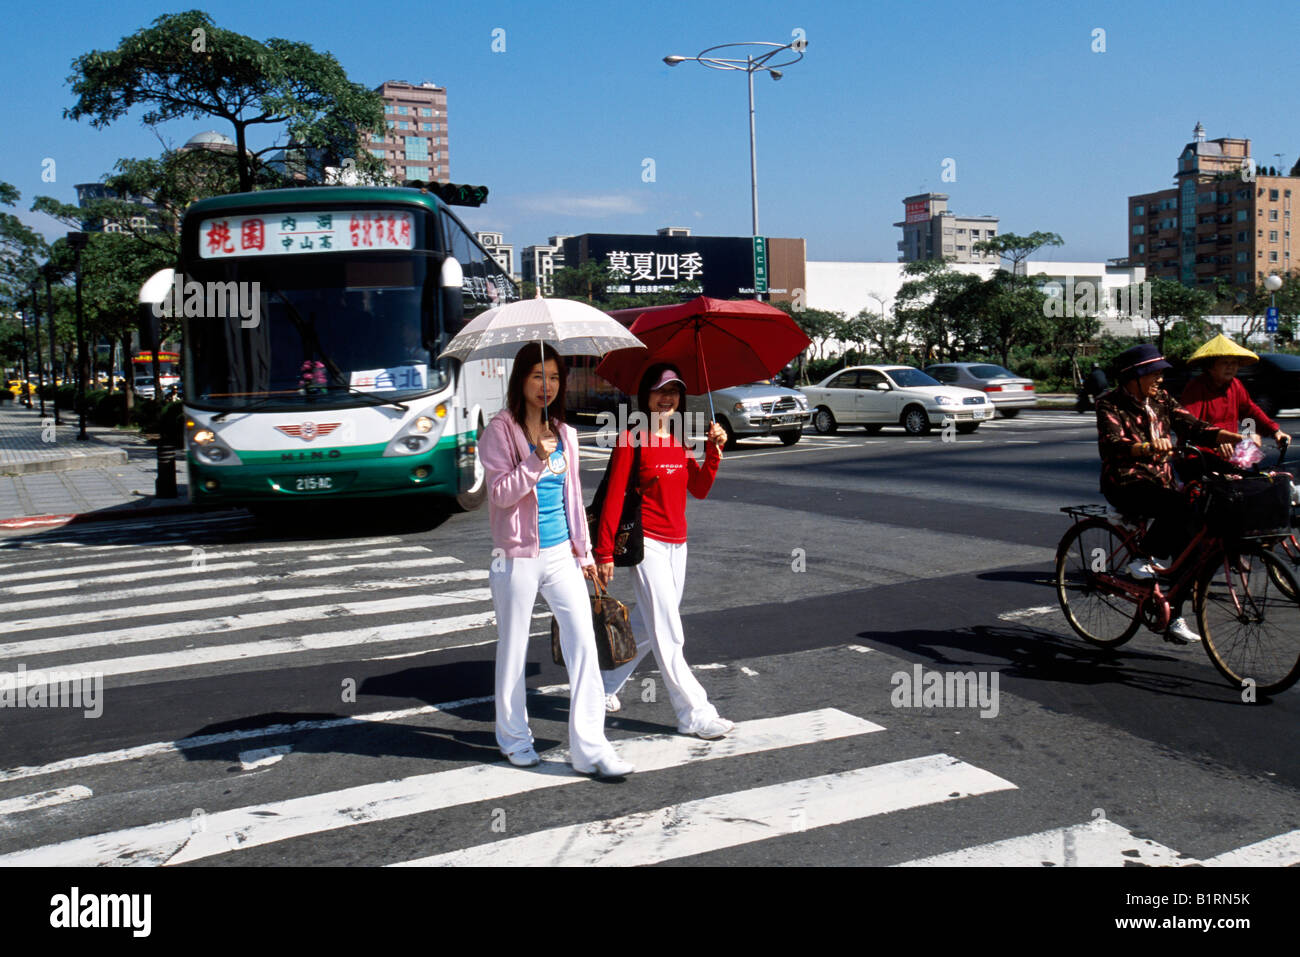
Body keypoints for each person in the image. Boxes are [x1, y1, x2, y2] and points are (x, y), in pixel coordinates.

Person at [478, 343, 633, 778]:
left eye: (553, 377)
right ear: (520, 381)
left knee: (583, 643)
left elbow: (572, 497)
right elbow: (501, 495)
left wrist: (584, 552)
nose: (545, 386)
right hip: (516, 557)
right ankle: (513, 738)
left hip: (562, 554)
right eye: (536, 377)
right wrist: (534, 459)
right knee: (513, 648)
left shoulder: (564, 432)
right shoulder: (500, 431)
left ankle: (590, 748)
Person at [595, 364, 732, 738]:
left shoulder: (680, 440)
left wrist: (714, 450)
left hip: (678, 544)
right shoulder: (631, 440)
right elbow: (612, 499)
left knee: (645, 624)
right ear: (646, 397)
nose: (667, 398)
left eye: (674, 392)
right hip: (647, 545)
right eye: (660, 391)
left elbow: (699, 488)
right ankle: (694, 713)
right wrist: (604, 553)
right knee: (669, 631)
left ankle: (602, 686)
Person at [1096, 343, 1252, 644]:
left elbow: (1194, 426)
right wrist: (1145, 447)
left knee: (1192, 544)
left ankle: (1174, 616)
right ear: (1134, 376)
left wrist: (1231, 436)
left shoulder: (1163, 400)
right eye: (1154, 374)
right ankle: (1141, 558)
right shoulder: (1109, 404)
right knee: (1176, 504)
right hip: (1125, 482)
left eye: (1160, 374)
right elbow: (1111, 444)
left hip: (1161, 481)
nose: (1160, 380)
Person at [1179, 334, 1289, 460]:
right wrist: (1218, 440)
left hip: (1228, 456)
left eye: (1234, 363)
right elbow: (1190, 425)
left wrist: (1275, 431)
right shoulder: (1196, 387)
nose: (1230, 367)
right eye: (1225, 363)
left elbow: (1249, 412)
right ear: (1210, 367)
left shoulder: (1235, 385)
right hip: (1199, 457)